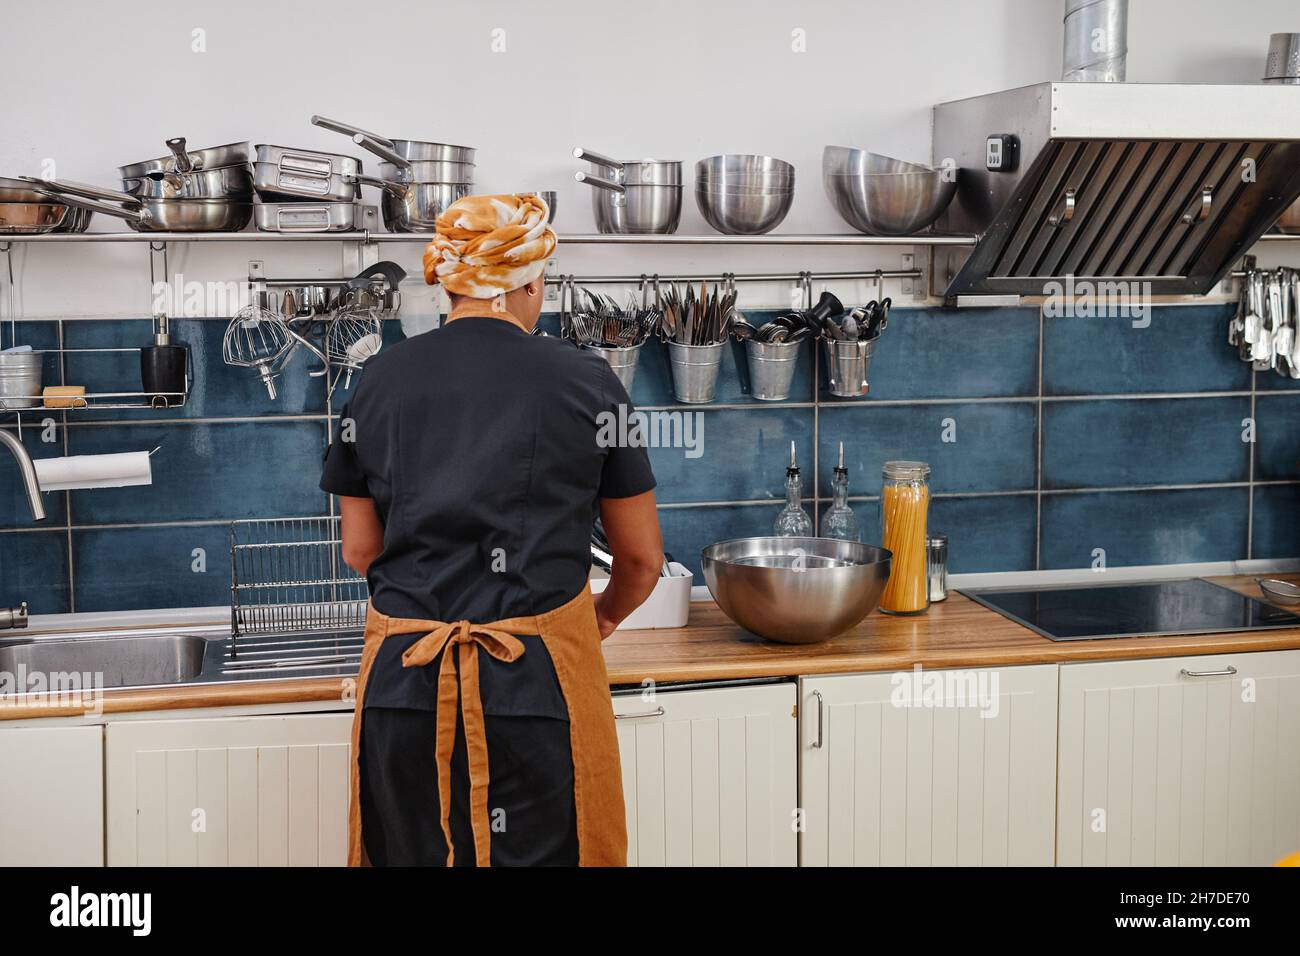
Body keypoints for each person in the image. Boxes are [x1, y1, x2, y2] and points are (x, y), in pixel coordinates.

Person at [320, 193, 663, 867]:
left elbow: (360, 549)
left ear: (451, 283)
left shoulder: (376, 379)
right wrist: (602, 617)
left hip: (403, 685)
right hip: (536, 682)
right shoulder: (589, 383)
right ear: (530, 281)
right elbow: (643, 559)